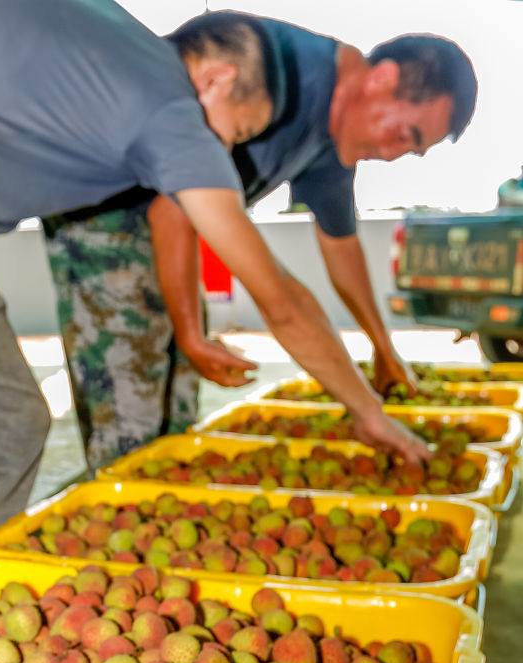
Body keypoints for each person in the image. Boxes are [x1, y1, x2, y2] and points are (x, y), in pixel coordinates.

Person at [0, 0, 432, 585]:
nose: (222, 157)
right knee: (0, 426)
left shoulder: (110, 40)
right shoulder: (172, 106)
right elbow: (279, 298)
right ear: (216, 78)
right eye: (235, 135)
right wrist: (365, 410)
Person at [45, 14, 478, 468]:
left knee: (175, 409)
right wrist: (191, 333)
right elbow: (174, 212)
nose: (391, 155)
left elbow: (341, 247)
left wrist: (383, 349)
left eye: (409, 151)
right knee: (132, 403)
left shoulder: (336, 139)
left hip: (170, 223)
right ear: (383, 79)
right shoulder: (280, 76)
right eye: (402, 135)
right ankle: (119, 503)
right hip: (107, 211)